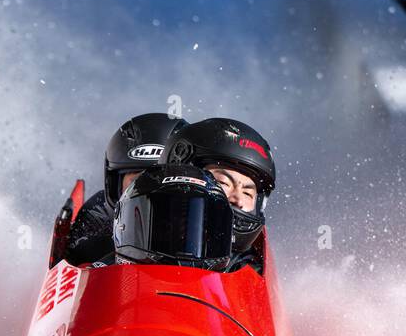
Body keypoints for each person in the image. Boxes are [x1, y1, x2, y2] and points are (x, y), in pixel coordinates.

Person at [66, 113, 187, 266]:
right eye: (137, 181)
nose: (149, 192)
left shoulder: (209, 220)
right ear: (116, 185)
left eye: (162, 180)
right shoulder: (97, 220)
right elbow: (74, 273)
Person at [161, 117, 276, 256]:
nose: (238, 200)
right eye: (223, 182)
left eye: (247, 193)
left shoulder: (253, 268)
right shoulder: (134, 241)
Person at [112, 164, 238, 271]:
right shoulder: (99, 275)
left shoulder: (233, 285)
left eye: (192, 227)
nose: (183, 234)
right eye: (165, 227)